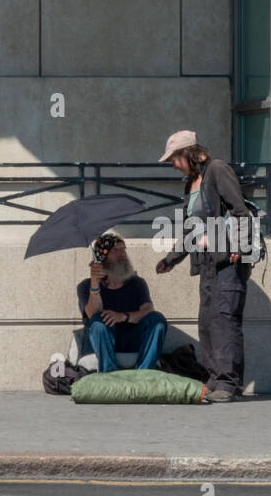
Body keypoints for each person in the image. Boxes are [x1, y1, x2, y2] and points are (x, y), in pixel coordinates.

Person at [154, 130, 252, 402]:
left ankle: (229, 384)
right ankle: (213, 379)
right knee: (207, 322)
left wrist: (238, 246)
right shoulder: (191, 183)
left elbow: (239, 210)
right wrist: (171, 260)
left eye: (174, 159)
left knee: (224, 321)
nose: (173, 165)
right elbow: (190, 230)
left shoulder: (217, 170)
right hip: (206, 263)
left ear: (188, 153)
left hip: (228, 263)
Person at [76, 233, 167, 372]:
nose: (122, 254)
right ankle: (110, 375)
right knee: (97, 322)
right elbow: (92, 315)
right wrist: (95, 283)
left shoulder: (137, 283)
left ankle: (144, 374)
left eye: (123, 249)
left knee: (157, 319)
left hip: (133, 338)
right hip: (104, 341)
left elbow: (148, 310)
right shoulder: (85, 286)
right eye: (115, 250)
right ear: (103, 257)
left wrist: (123, 316)